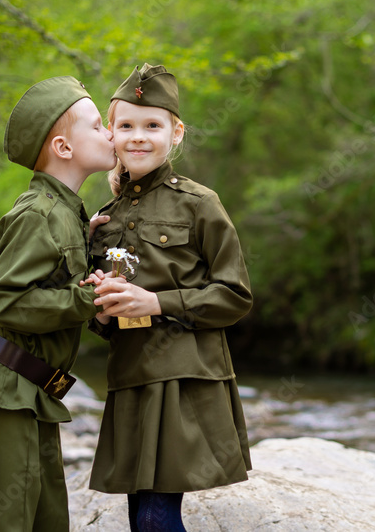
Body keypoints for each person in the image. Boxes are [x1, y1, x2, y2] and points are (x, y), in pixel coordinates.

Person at [83, 63, 254, 531]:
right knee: (142, 518)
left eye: (152, 126)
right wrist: (97, 299)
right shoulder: (103, 216)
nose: (139, 137)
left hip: (184, 378)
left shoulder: (200, 203)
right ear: (111, 134)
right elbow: (98, 323)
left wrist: (157, 303)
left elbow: (235, 296)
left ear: (176, 133)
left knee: (157, 520)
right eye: (127, 126)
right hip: (130, 376)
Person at [0, 76, 117, 531]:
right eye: (99, 124)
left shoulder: (65, 214)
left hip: (35, 393)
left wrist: (85, 244)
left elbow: (46, 277)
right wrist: (86, 299)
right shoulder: (38, 213)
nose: (111, 133)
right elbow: (1, 301)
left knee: (43, 519)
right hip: (6, 394)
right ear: (63, 147)